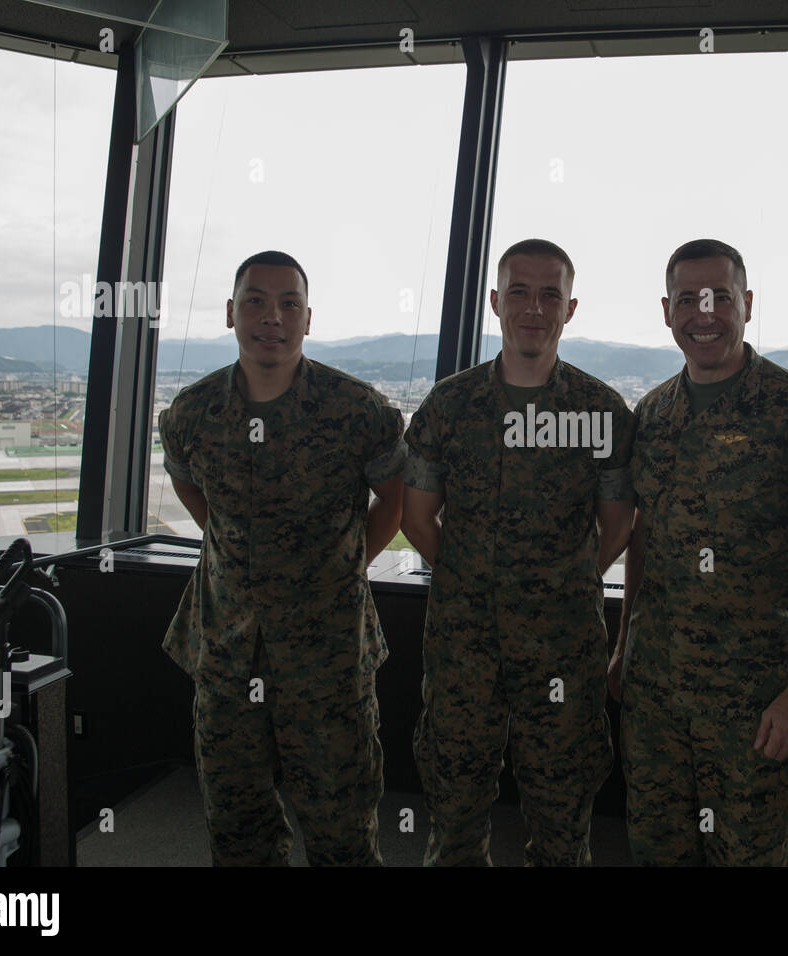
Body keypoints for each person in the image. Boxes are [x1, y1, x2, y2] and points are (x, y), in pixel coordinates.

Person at [610, 238, 788, 866]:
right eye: (688, 299)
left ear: (747, 304)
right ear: (666, 312)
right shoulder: (652, 415)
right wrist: (623, 647)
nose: (705, 314)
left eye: (721, 297)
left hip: (757, 701)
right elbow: (643, 538)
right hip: (657, 696)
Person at [159, 250, 406, 866]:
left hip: (328, 655)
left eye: (288, 303)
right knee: (237, 824)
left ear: (307, 318)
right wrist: (233, 547)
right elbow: (188, 482)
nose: (272, 316)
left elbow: (396, 498)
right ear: (230, 312)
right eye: (256, 301)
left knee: (341, 827)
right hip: (227, 649)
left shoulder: (358, 412)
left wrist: (345, 566)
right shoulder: (192, 413)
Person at [401, 238, 634, 866]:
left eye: (550, 294)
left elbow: (618, 523)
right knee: (454, 812)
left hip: (564, 645)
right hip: (463, 645)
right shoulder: (449, 406)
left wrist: (568, 578)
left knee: (562, 818)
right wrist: (472, 578)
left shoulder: (601, 412)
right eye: (520, 292)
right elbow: (417, 517)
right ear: (495, 302)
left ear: (571, 307)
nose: (534, 307)